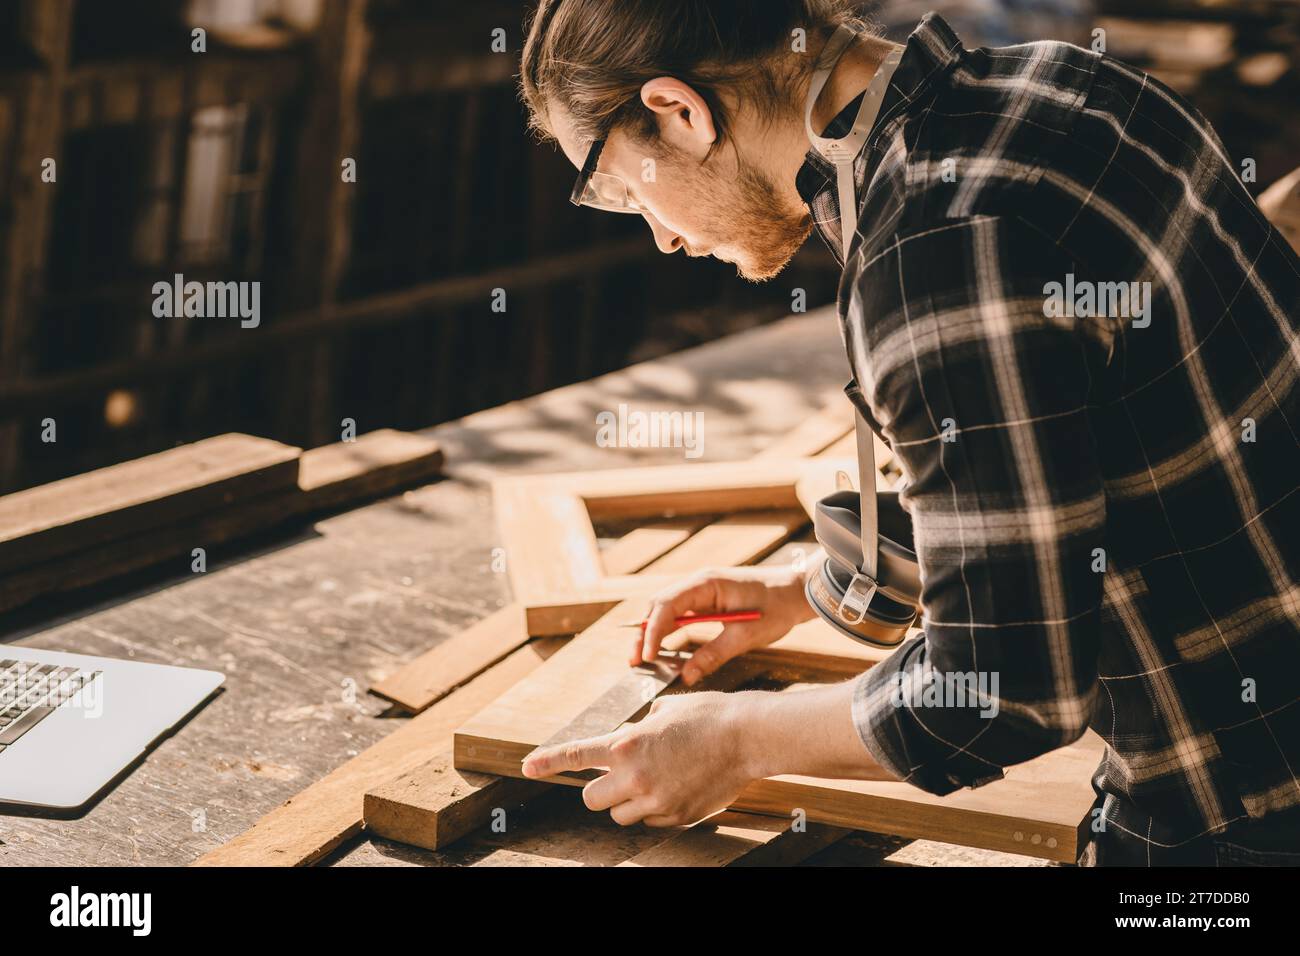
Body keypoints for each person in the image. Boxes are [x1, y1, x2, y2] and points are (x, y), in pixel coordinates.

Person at [516, 0, 1300, 865]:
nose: (660, 237)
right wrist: (818, 588)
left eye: (621, 186)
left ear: (682, 112)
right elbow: (1072, 451)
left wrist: (736, 739)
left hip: (1245, 820)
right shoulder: (1062, 82)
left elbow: (1006, 690)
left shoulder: (937, 248)